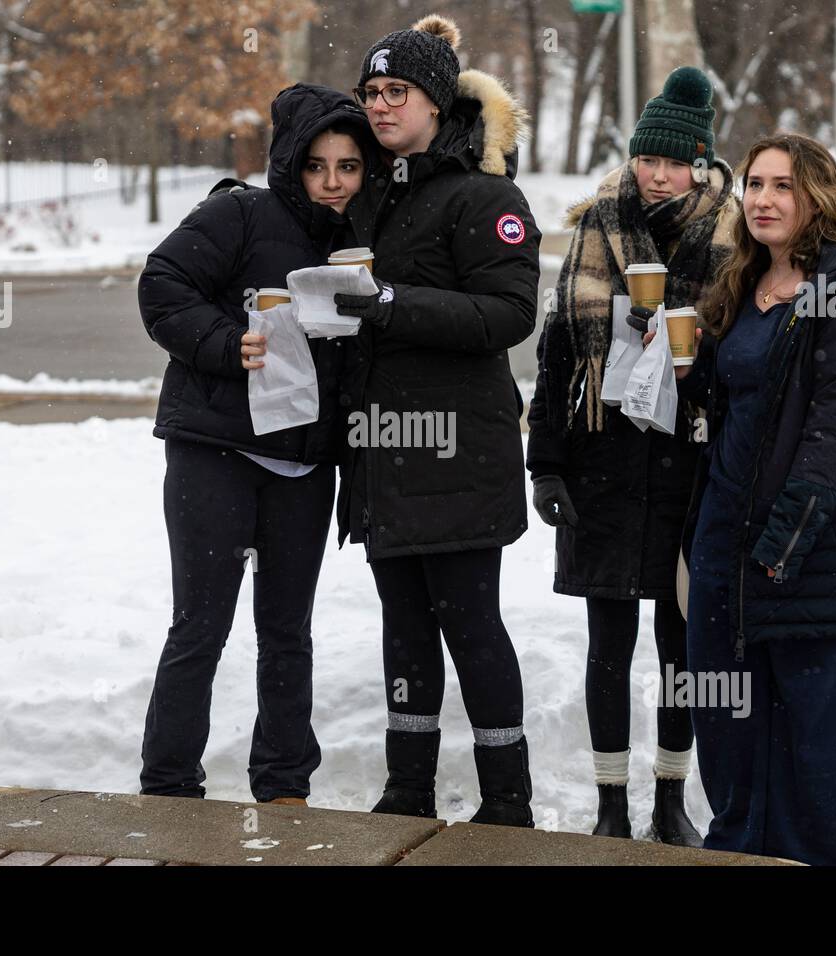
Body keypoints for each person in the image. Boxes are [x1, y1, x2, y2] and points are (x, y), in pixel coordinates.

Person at [675, 132, 836, 865]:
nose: (763, 200)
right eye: (754, 184)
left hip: (816, 550)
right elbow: (735, 411)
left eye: (783, 185)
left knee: (809, 751)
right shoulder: (740, 282)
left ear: (817, 195)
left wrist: (783, 544)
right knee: (727, 734)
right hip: (725, 543)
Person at [137, 84, 374, 806]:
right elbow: (163, 283)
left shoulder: (365, 240)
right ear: (289, 165)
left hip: (304, 464)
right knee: (200, 627)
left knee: (287, 631)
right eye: (316, 165)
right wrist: (221, 342)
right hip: (218, 453)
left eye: (349, 166)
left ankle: (283, 785)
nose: (332, 182)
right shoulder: (241, 212)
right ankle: (170, 785)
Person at [332, 14, 542, 826]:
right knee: (403, 629)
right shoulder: (374, 192)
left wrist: (388, 302)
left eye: (398, 92)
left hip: (460, 453)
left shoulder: (486, 195)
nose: (381, 107)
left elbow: (507, 314)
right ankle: (408, 787)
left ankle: (508, 800)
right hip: (383, 454)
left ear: (436, 101)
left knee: (471, 626)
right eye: (372, 93)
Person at [526, 66, 738, 844]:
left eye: (673, 161)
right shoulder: (595, 223)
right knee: (607, 643)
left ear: (700, 162)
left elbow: (745, 353)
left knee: (681, 644)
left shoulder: (731, 231)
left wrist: (694, 361)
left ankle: (670, 800)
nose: (656, 174)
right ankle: (611, 802)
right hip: (603, 464)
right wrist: (544, 463)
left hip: (690, 466)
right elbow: (555, 353)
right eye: (647, 158)